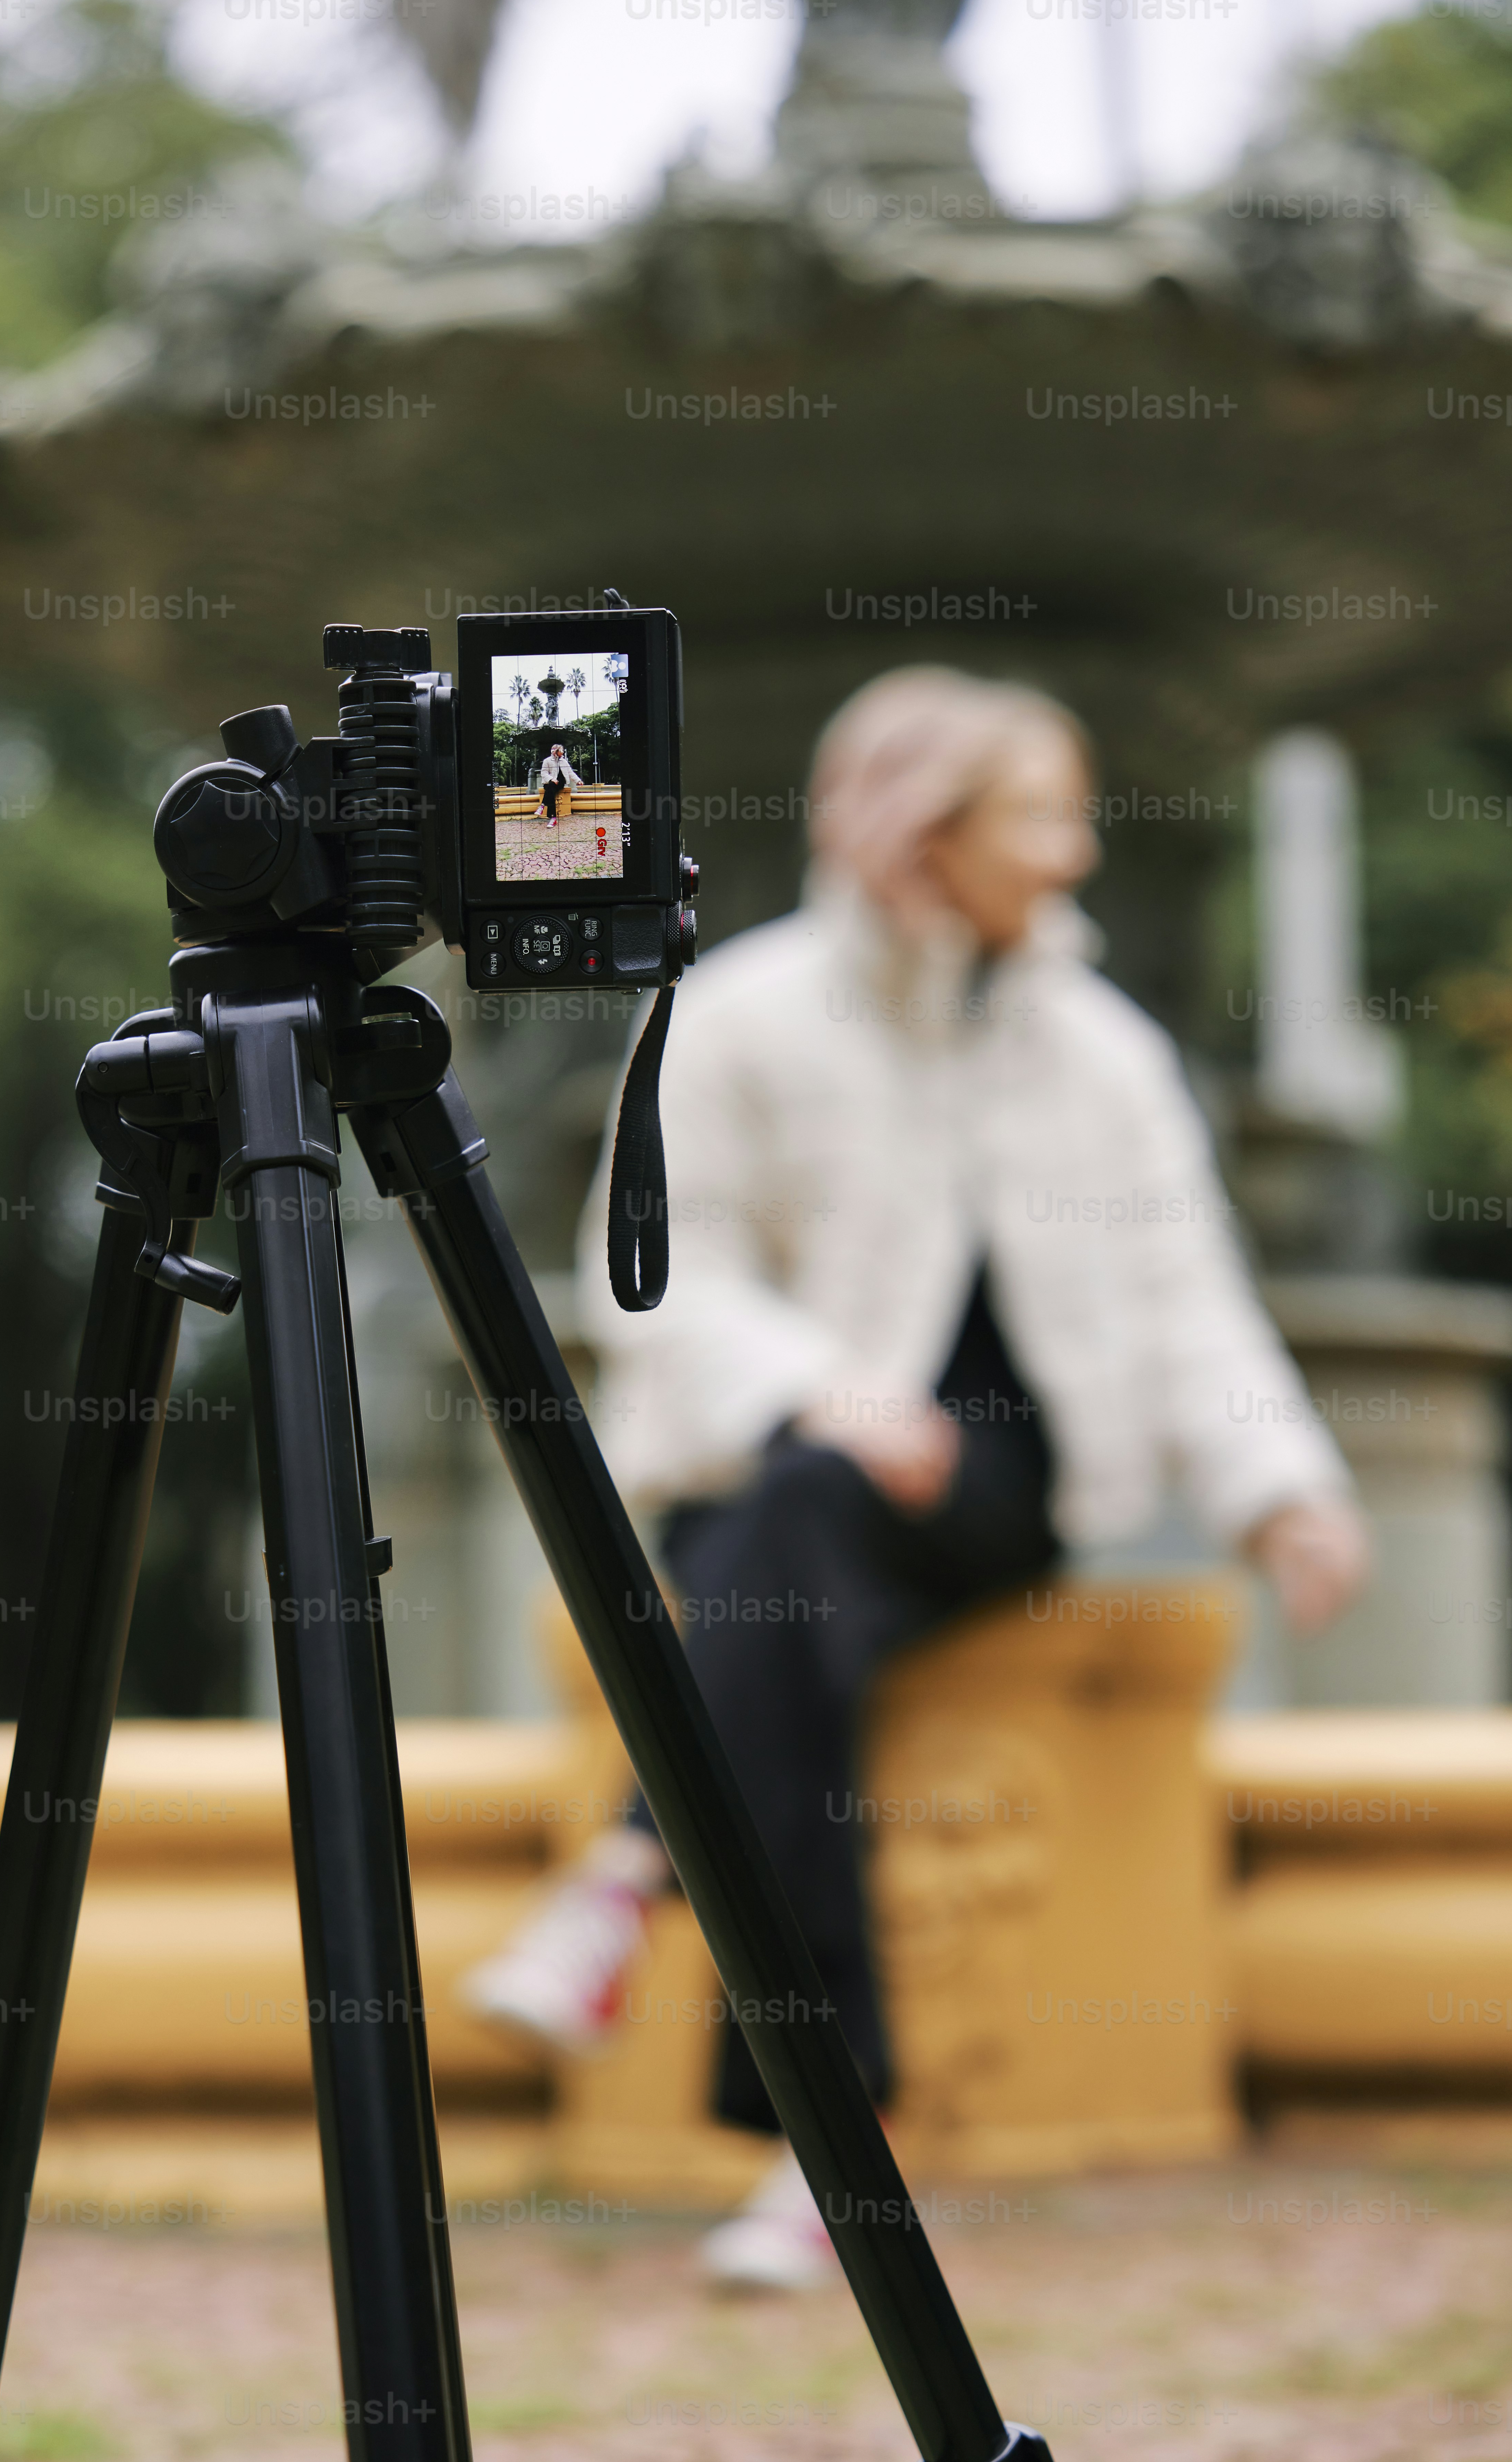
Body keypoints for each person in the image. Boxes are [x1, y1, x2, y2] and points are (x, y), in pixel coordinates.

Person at [463, 667, 1371, 2287]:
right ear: (920, 830)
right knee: (792, 1528)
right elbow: (649, 1275)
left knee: (784, 1540)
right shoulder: (738, 1011)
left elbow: (1188, 1297)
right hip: (772, 1469)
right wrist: (825, 1389)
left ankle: (627, 1873)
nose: (1075, 852)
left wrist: (1278, 1485)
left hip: (992, 1495)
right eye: (1038, 815)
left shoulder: (1101, 1052)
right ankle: (831, 2155)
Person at [534, 743, 582, 822]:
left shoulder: (564, 762)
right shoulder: (547, 761)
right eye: (561, 751)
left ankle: (543, 806)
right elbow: (544, 773)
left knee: (550, 789)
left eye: (563, 751)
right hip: (549, 783)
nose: (563, 752)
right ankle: (553, 819)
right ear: (555, 751)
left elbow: (571, 773)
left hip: (560, 783)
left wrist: (578, 781)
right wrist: (552, 779)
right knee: (551, 790)